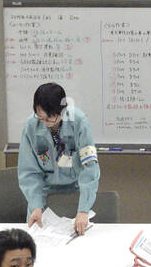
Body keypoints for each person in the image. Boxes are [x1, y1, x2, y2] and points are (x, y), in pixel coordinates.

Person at [17, 83, 99, 237]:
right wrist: (36, 206)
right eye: (40, 117)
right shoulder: (31, 126)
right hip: (44, 198)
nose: (45, 123)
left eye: (50, 118)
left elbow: (90, 167)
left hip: (75, 195)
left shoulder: (79, 122)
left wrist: (83, 210)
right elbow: (28, 172)